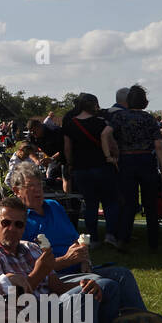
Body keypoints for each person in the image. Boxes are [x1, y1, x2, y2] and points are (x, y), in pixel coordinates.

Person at [9, 163, 145, 313]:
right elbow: (31, 270)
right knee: (105, 285)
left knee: (123, 275)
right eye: (30, 186)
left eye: (39, 184)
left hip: (78, 270)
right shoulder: (18, 222)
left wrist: (84, 259)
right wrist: (67, 260)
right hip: (55, 279)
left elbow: (74, 239)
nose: (38, 190)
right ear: (17, 191)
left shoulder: (54, 206)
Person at [0, 197, 107, 323]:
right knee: (85, 300)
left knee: (105, 286)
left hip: (51, 308)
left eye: (18, 224)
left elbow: (58, 286)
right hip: (24, 319)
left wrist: (85, 285)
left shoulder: (31, 248)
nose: (12, 228)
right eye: (6, 223)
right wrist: (38, 272)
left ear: (24, 228)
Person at [111, 84, 162, 252]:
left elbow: (106, 133)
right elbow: (158, 144)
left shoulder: (120, 117)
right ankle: (153, 242)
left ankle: (123, 238)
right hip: (146, 161)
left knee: (129, 203)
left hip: (126, 160)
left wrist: (112, 153)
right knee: (150, 204)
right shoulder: (149, 119)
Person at [61, 94, 120, 248]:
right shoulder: (101, 123)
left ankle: (93, 238)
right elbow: (111, 143)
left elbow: (67, 148)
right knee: (110, 202)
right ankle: (110, 235)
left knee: (90, 204)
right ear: (94, 105)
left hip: (81, 168)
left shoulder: (70, 124)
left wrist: (70, 164)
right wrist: (114, 157)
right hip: (102, 165)